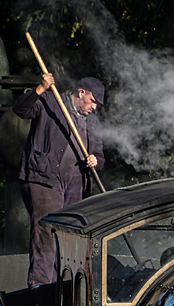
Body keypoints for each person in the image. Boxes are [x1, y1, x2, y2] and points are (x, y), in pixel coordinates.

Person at [14, 73, 106, 287]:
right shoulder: (50, 101)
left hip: (75, 187)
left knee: (69, 238)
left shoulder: (93, 122)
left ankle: (64, 289)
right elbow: (20, 110)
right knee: (46, 232)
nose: (94, 107)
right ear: (81, 92)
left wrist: (95, 160)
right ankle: (40, 289)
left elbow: (100, 156)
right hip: (44, 179)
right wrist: (40, 88)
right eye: (93, 101)